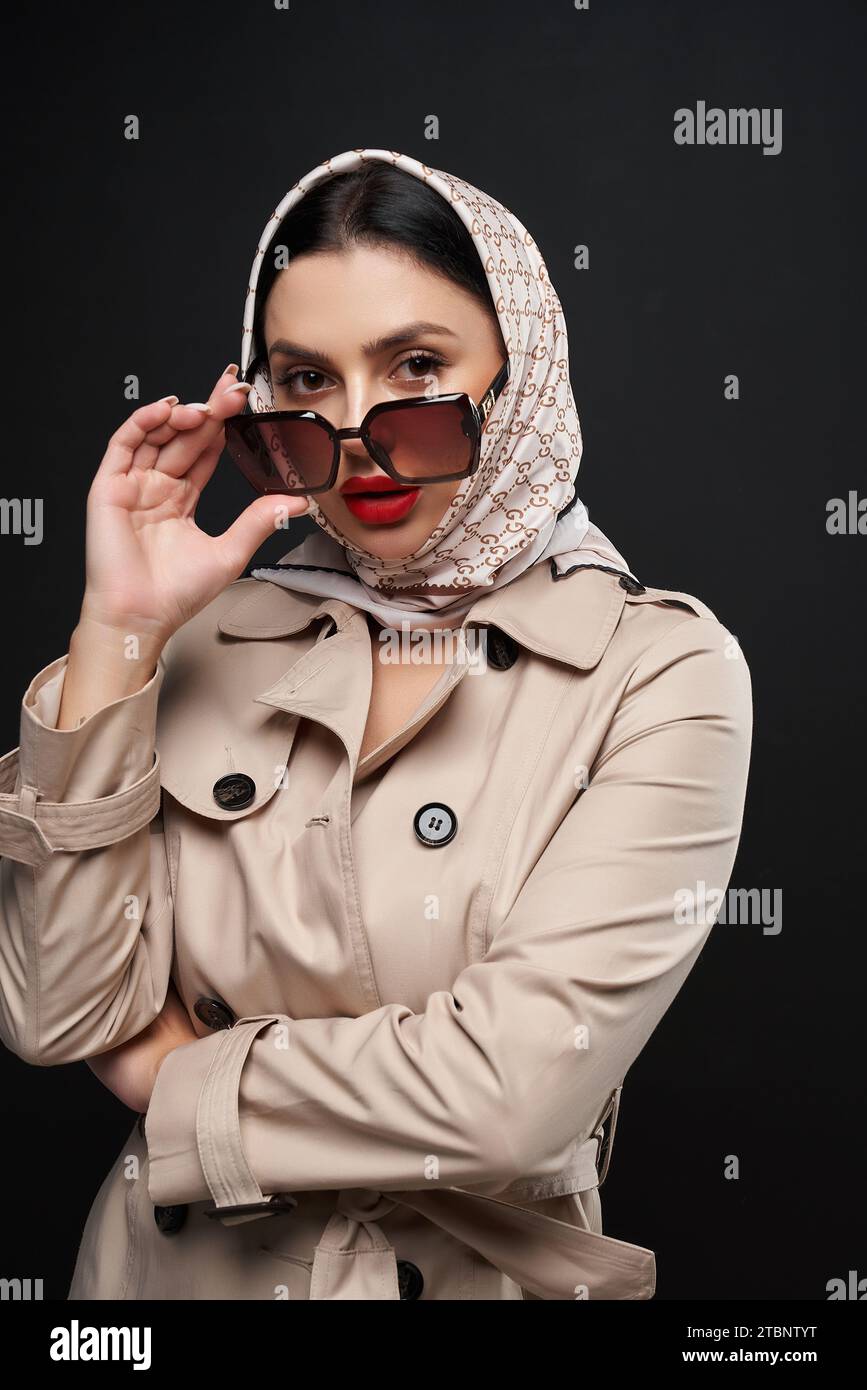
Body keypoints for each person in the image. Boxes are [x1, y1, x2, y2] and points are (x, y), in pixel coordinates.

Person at [0, 148, 753, 1300]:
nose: (356, 433)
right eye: (304, 382)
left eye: (415, 363)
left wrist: (173, 1081)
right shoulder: (210, 634)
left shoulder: (659, 669)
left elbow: (504, 1101)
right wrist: (119, 631)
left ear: (522, 367)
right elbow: (58, 1013)